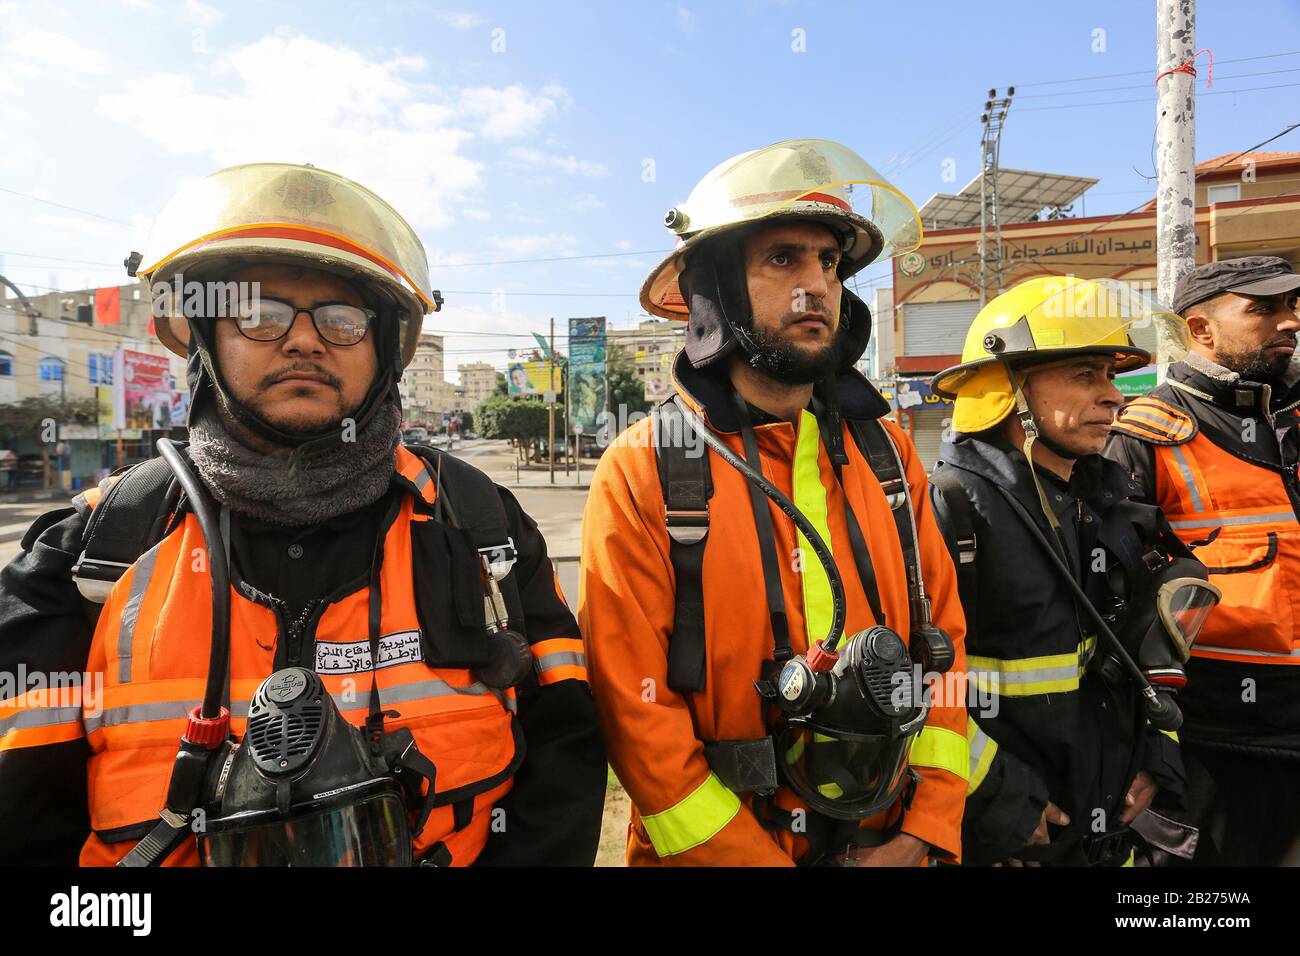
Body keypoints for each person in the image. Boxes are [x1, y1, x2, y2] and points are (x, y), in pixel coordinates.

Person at [0, 162, 606, 867]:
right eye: (260, 313)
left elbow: (562, 760)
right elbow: (23, 822)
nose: (304, 340)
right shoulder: (89, 552)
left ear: (385, 348)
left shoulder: (480, 524)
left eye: (343, 319)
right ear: (206, 337)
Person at [580, 139, 969, 867]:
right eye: (783, 259)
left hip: (886, 843)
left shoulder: (887, 453)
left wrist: (924, 829)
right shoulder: (644, 468)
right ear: (714, 293)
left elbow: (940, 642)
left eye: (830, 263)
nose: (816, 285)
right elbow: (636, 712)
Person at [929, 276, 1213, 866]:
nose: (1113, 396)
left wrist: (1157, 757)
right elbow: (916, 684)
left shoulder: (1112, 503)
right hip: (1009, 839)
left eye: (1110, 376)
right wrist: (998, 801)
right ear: (1008, 388)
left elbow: (1147, 654)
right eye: (1086, 375)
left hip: (1109, 832)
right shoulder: (950, 508)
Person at [1105, 256, 1300, 865]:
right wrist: (1143, 747)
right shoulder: (1143, 435)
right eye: (1263, 309)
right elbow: (1113, 603)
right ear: (1201, 329)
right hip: (1217, 744)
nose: (1289, 321)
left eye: (1292, 305)